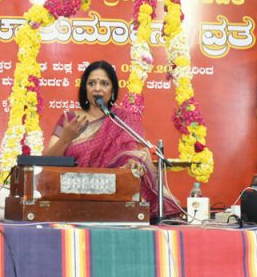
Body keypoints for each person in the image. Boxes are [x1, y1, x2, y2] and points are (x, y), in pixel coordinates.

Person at [44, 60, 181, 218]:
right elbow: (46, 163)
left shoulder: (122, 120)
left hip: (116, 199)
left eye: (104, 83)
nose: (97, 88)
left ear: (112, 90)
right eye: (92, 83)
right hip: (73, 198)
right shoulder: (69, 119)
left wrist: (132, 163)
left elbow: (134, 153)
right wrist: (65, 139)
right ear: (85, 88)